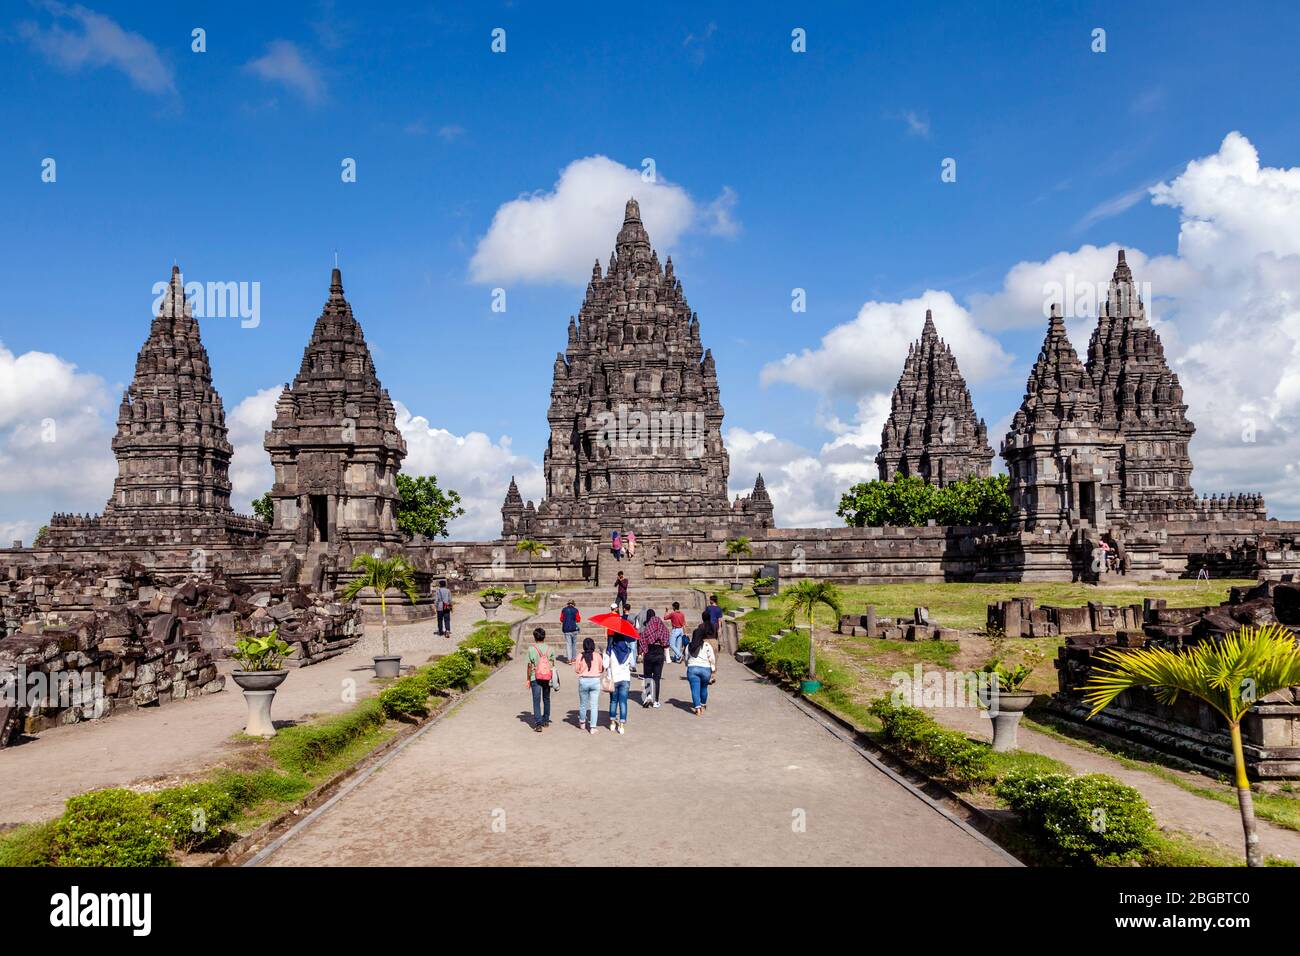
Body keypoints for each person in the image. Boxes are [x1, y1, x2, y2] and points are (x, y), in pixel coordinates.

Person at [637, 608, 670, 708]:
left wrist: (641, 652)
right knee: (657, 678)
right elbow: (666, 638)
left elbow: (642, 640)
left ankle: (648, 696)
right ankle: (656, 701)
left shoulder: (646, 628)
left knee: (647, 676)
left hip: (649, 653)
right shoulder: (661, 627)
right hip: (659, 653)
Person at [525, 627, 557, 732]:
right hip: (547, 677)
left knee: (536, 700)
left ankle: (538, 724)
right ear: (544, 636)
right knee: (546, 698)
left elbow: (529, 665)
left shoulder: (531, 649)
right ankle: (546, 720)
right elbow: (553, 664)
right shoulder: (550, 649)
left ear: (534, 637)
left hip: (535, 676)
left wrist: (528, 679)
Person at [685, 615, 718, 715]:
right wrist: (713, 668)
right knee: (704, 688)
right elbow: (712, 658)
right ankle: (703, 704)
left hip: (692, 669)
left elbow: (686, 658)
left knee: (695, 688)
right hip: (705, 669)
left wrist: (688, 665)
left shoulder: (689, 646)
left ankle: (697, 708)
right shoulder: (707, 645)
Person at [603, 632, 634, 734]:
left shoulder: (610, 651)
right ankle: (621, 725)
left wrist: (606, 652)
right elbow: (633, 664)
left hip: (614, 679)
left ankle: (612, 723)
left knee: (613, 701)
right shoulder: (629, 651)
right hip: (625, 679)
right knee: (623, 702)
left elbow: (605, 665)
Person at [573, 637, 604, 734]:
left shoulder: (580, 656)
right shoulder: (598, 656)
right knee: (594, 705)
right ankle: (593, 727)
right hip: (595, 681)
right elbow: (601, 669)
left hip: (584, 680)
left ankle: (582, 722)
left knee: (583, 704)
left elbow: (577, 670)